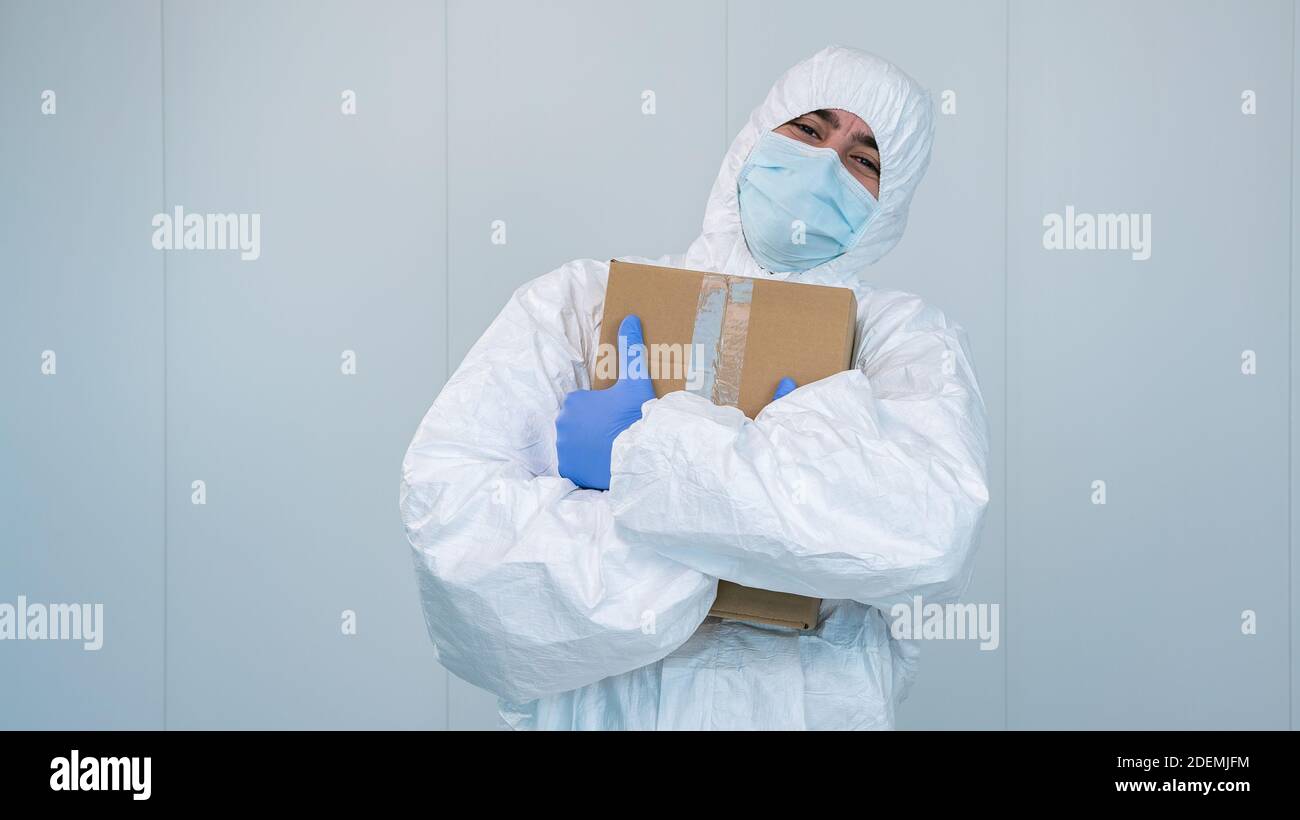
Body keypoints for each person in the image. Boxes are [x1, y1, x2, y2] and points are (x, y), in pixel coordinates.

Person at [400, 46, 990, 730]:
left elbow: (926, 534)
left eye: (864, 160)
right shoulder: (583, 304)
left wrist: (639, 458)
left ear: (891, 206)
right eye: (808, 130)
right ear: (755, 135)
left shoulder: (903, 343)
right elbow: (456, 541)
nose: (825, 164)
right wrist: (758, 527)